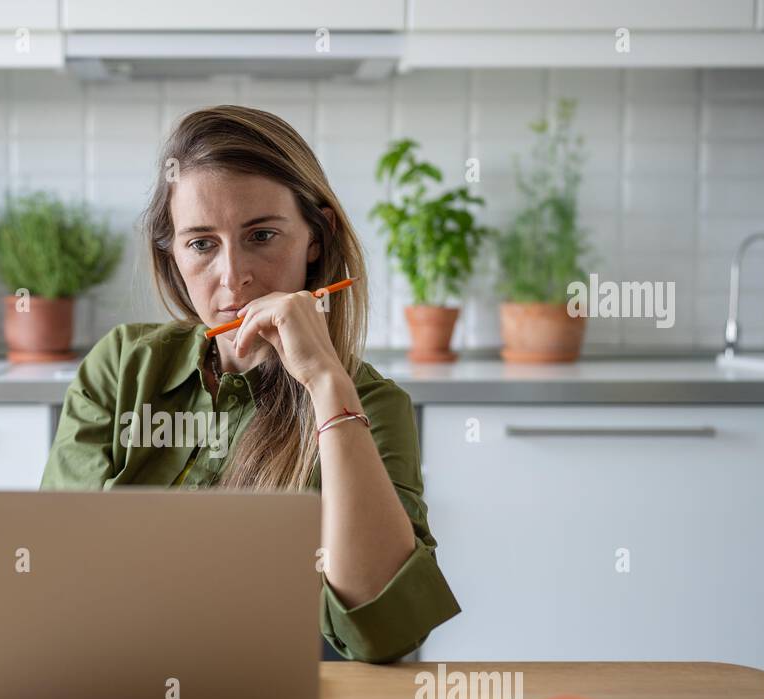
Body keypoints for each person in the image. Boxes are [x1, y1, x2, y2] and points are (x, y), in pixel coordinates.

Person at [40, 105, 461, 663]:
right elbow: (60, 574)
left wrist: (327, 385)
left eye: (261, 235)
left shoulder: (372, 405)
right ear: (172, 254)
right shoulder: (121, 367)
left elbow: (383, 632)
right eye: (201, 243)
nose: (232, 275)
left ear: (316, 237)